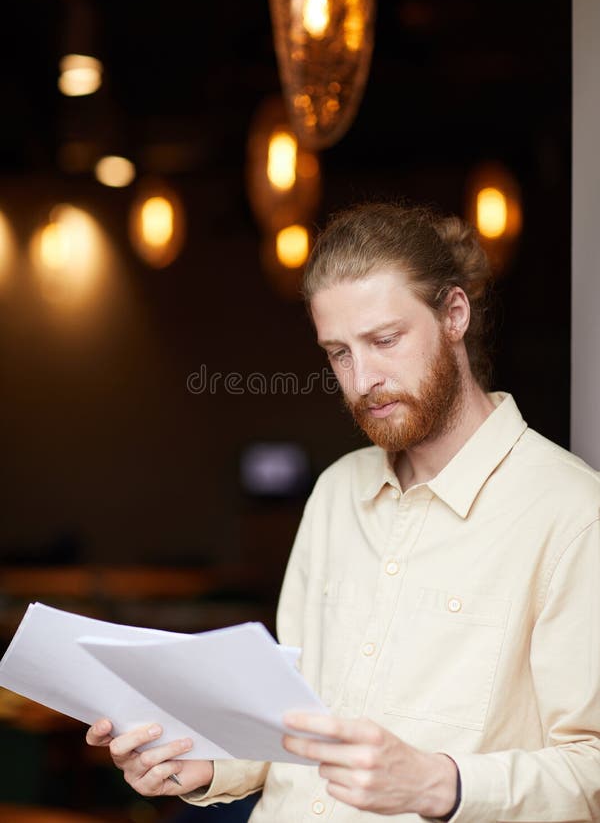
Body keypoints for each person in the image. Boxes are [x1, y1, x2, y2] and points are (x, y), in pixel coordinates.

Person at [87, 202, 600, 822]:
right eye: (338, 353)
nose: (362, 381)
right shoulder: (335, 492)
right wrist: (208, 764)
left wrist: (442, 784)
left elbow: (591, 767)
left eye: (385, 340)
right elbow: (294, 722)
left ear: (454, 314)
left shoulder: (572, 513)